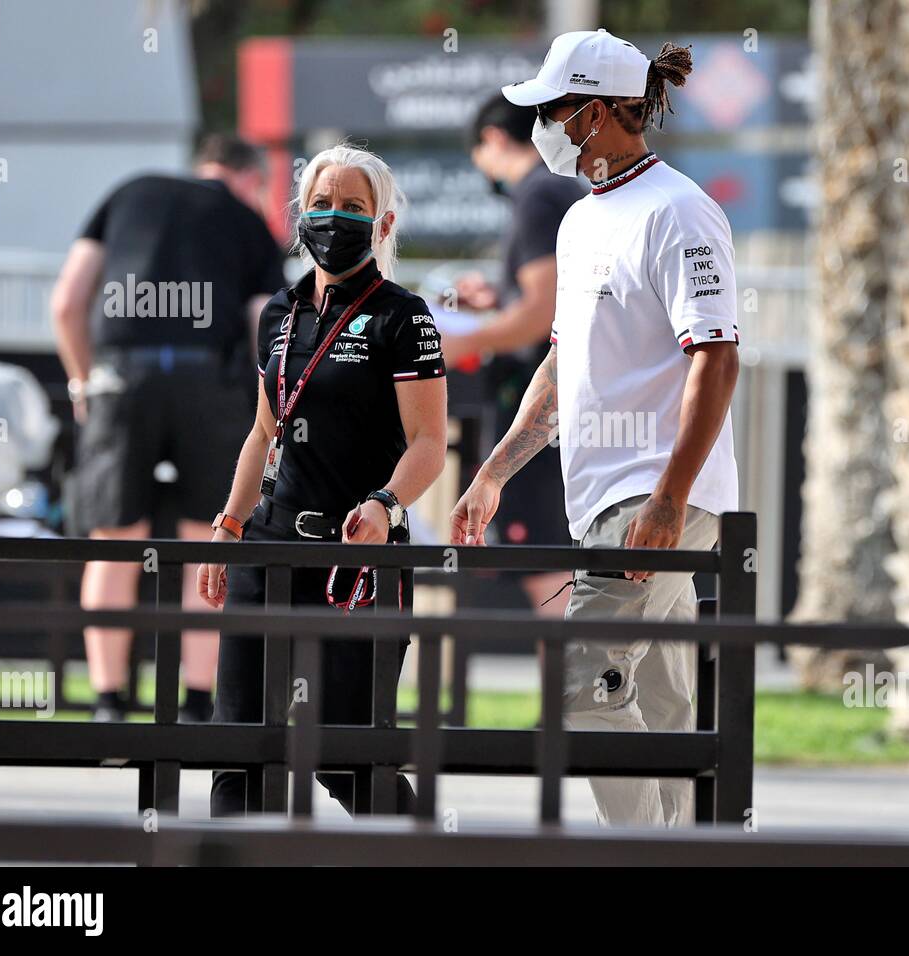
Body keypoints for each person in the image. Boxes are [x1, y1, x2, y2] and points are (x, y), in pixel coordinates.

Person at [450, 30, 740, 827]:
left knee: (582, 691)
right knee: (665, 710)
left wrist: (669, 500)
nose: (543, 123)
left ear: (600, 112)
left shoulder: (680, 209)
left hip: (651, 499)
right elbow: (559, 369)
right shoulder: (582, 219)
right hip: (621, 501)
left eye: (553, 108)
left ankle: (644, 853)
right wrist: (493, 473)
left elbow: (717, 358)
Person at [198, 143, 447, 817]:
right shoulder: (278, 313)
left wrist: (386, 503)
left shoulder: (403, 315)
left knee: (349, 760)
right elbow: (262, 432)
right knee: (238, 753)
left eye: (354, 208)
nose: (335, 218)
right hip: (271, 548)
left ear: (384, 224)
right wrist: (228, 524)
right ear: (300, 216)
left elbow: (430, 443)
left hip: (357, 560)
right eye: (322, 204)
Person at [51, 134, 288, 723]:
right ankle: (199, 705)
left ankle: (108, 703)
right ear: (248, 178)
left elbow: (65, 304)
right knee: (209, 539)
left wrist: (85, 383)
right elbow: (263, 319)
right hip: (210, 385)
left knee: (114, 542)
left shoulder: (128, 193)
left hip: (120, 380)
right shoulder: (246, 218)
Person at [445, 92, 585, 614]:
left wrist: (463, 337)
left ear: (493, 140)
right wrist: (496, 301)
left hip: (541, 403)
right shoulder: (557, 191)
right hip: (561, 401)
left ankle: (570, 697)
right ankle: (574, 693)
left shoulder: (537, 195)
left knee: (546, 568)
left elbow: (541, 316)